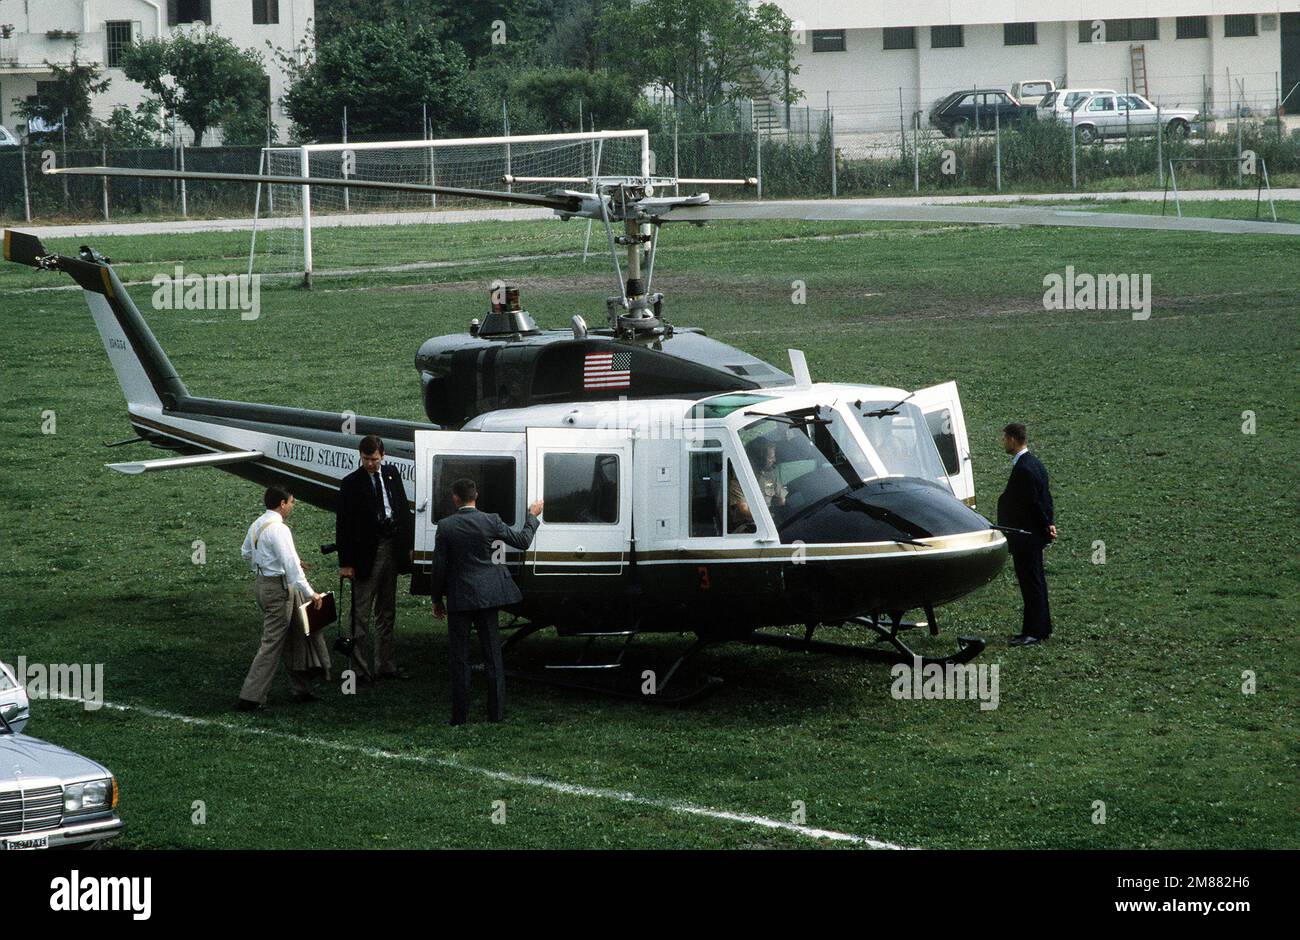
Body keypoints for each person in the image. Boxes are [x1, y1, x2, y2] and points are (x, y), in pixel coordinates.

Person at [430, 479, 543, 725]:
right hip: (488, 596)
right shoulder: (491, 520)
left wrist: (437, 599)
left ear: (455, 498)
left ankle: (459, 717)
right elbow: (522, 541)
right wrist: (532, 516)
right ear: (476, 495)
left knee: (459, 659)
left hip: (460, 597)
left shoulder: (446, 526)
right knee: (493, 656)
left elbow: (439, 567)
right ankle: (496, 714)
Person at [238, 486, 329, 711]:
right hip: (279, 589)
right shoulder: (279, 529)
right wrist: (311, 593)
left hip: (263, 585)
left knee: (295, 635)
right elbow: (291, 567)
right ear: (282, 504)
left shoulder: (257, 524)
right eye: (291, 502)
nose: (292, 506)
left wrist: (265, 563)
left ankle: (302, 689)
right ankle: (251, 696)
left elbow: (246, 552)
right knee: (273, 643)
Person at [336, 435, 414, 682]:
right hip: (365, 554)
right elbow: (343, 525)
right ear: (360, 456)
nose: (370, 464)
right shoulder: (351, 484)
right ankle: (358, 669)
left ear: (383, 456)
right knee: (360, 613)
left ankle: (386, 665)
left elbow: (402, 509)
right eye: (366, 459)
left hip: (391, 547)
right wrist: (346, 563)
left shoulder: (391, 474)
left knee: (387, 610)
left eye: (374, 459)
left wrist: (408, 546)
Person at [996, 423, 1057, 646]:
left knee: (1030, 583)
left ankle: (1033, 631)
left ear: (1013, 439)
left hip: (1026, 536)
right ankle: (1041, 627)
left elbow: (1032, 503)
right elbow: (1045, 498)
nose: (1003, 442)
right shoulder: (1036, 464)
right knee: (1037, 582)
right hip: (1035, 534)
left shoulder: (1023, 469)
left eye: (1004, 438)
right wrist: (1049, 523)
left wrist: (1044, 525)